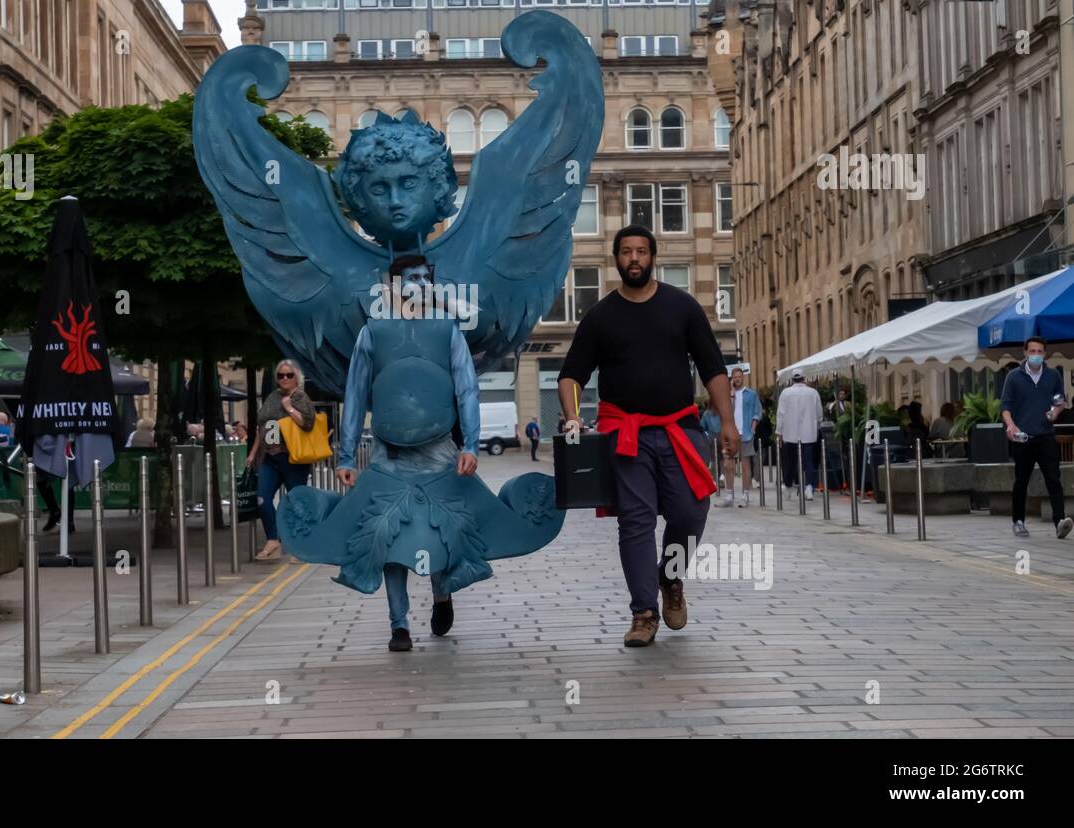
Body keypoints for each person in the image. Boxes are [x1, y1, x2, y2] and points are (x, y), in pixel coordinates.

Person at [279, 255, 563, 652]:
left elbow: (466, 389)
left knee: (445, 530)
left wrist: (469, 445)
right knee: (387, 538)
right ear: (392, 285)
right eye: (410, 278)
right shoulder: (372, 334)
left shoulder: (447, 331)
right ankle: (399, 624)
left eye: (425, 279)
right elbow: (357, 395)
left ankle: (443, 592)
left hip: (440, 453)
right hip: (388, 456)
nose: (418, 285)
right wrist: (345, 457)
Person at [558, 225, 733, 648]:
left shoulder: (683, 307)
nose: (634, 259)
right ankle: (643, 613)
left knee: (691, 512)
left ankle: (670, 579)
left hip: (680, 429)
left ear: (653, 256)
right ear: (615, 259)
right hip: (626, 436)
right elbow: (570, 377)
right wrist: (572, 418)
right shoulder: (600, 316)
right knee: (635, 523)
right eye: (626, 252)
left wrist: (727, 422)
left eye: (641, 252)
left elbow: (712, 368)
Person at [1001, 336, 1072, 539]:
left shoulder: (1052, 376)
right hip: (1022, 438)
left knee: (1054, 479)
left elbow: (1060, 402)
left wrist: (1055, 413)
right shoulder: (1014, 377)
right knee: (1021, 481)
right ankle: (1018, 521)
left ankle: (1059, 521)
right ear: (1025, 353)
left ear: (1045, 354)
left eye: (1039, 352)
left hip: (1046, 436)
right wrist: (1011, 425)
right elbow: (1005, 406)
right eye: (1032, 352)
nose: (1036, 355)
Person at [246, 359, 315, 561]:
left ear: (296, 378)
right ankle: (273, 539)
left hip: (293, 458)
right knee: (262, 499)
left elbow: (308, 424)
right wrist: (252, 453)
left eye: (289, 375)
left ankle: (300, 545)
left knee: (296, 503)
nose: (284, 379)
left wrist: (289, 408)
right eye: (281, 375)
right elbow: (263, 427)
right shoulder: (272, 397)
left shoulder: (300, 397)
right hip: (270, 457)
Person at [776, 370, 823, 500]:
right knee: (808, 461)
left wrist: (779, 431)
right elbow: (819, 414)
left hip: (790, 433)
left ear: (792, 379)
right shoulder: (813, 393)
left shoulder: (785, 393)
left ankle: (788, 485)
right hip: (809, 433)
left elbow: (781, 414)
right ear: (804, 378)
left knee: (789, 461)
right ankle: (809, 486)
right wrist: (817, 425)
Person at [724, 366, 761, 508]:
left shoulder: (751, 394)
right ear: (732, 379)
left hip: (746, 433)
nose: (737, 379)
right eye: (735, 377)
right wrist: (731, 394)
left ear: (743, 377)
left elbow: (757, 411)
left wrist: (754, 424)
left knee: (745, 465)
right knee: (728, 464)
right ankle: (729, 495)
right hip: (730, 433)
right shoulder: (728, 395)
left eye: (739, 376)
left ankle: (745, 495)